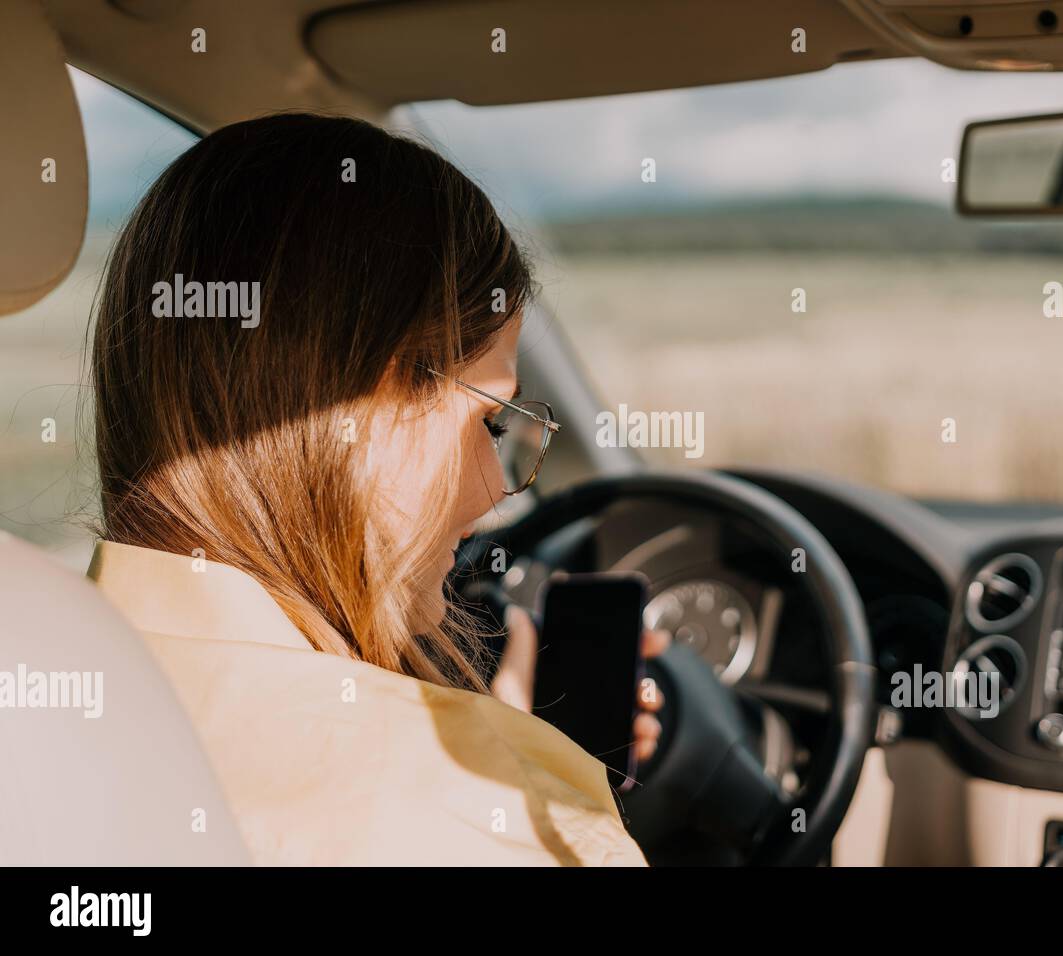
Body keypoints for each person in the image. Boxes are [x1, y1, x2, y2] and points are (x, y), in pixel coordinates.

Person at [87, 112, 664, 865]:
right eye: (491, 424)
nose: (499, 492)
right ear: (364, 398)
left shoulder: (47, 677)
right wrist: (532, 779)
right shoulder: (489, 811)